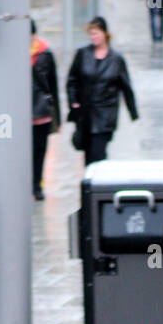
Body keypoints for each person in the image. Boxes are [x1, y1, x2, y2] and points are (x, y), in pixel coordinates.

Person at [67, 15, 138, 166]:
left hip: (105, 115)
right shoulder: (83, 54)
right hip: (85, 114)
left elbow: (126, 87)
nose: (93, 37)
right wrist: (73, 102)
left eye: (96, 33)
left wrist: (133, 112)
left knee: (98, 153)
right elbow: (72, 80)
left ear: (105, 34)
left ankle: (97, 185)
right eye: (91, 34)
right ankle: (88, 186)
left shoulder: (116, 59)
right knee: (87, 154)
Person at [30, 19, 61, 200]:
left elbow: (53, 86)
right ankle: (26, 183)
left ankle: (37, 184)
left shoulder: (44, 53)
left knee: (40, 149)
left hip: (41, 111)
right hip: (18, 113)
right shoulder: (12, 51)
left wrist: (57, 117)